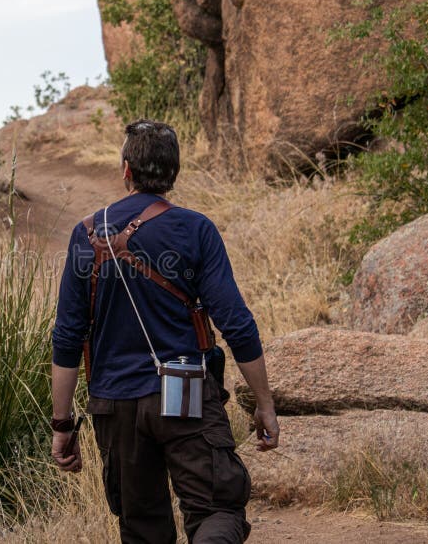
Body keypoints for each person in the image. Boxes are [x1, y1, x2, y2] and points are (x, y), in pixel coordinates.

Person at [49, 119, 279, 544]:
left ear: (126, 171)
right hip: (186, 391)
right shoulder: (196, 229)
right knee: (218, 510)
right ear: (173, 174)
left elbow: (67, 336)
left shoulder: (85, 235)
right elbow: (236, 324)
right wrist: (264, 404)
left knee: (142, 530)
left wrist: (62, 424)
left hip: (114, 402)